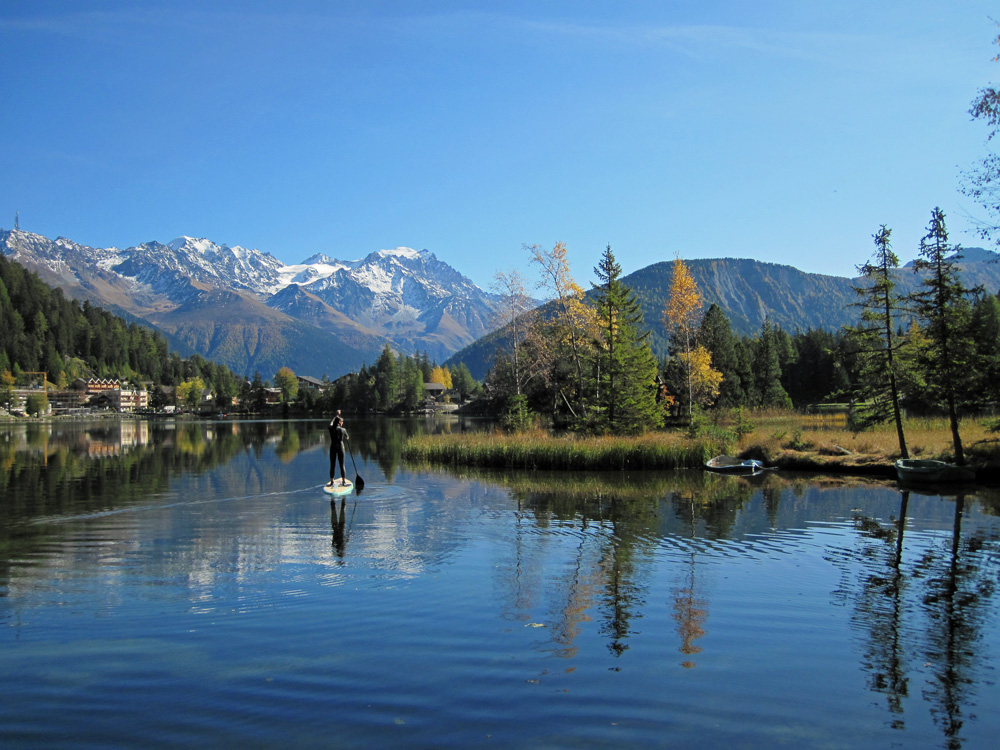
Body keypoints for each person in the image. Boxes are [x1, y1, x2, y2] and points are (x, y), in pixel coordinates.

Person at [327, 414, 350, 487]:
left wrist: (335, 417)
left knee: (332, 465)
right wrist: (347, 437)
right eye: (341, 421)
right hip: (340, 447)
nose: (342, 423)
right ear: (339, 422)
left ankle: (332, 482)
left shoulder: (331, 428)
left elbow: (330, 423)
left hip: (333, 447)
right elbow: (347, 437)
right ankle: (343, 482)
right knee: (342, 465)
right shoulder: (343, 430)